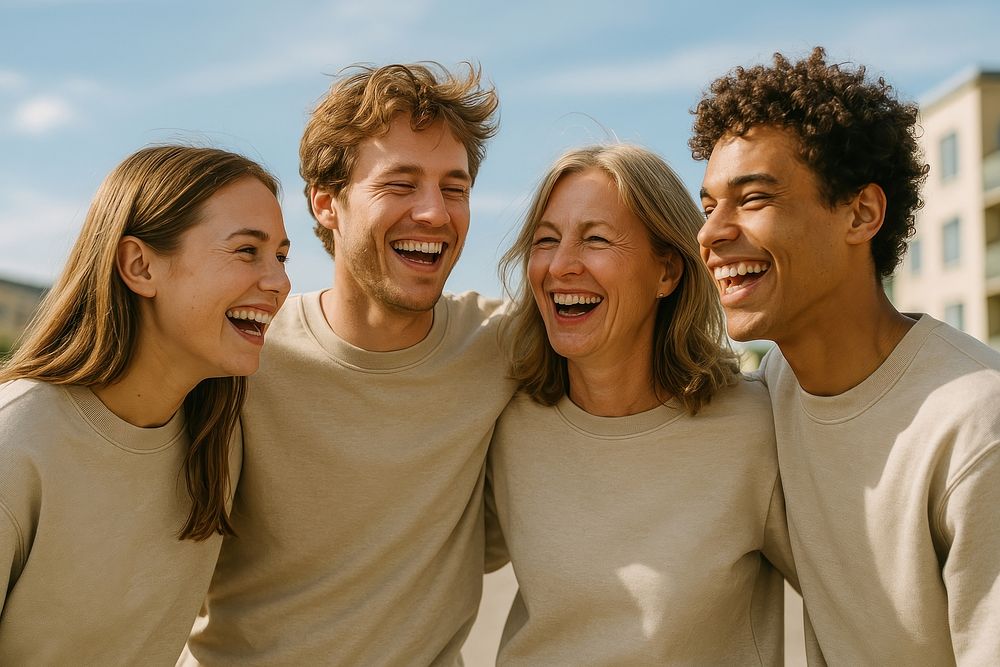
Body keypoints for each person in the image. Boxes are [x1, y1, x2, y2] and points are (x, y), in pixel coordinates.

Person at [183, 63, 517, 665]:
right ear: (327, 202)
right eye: (400, 183)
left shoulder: (502, 344)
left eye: (454, 187)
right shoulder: (239, 355)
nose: (434, 213)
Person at [694, 47, 1000, 665]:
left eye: (752, 199)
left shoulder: (975, 424)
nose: (710, 233)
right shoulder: (774, 388)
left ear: (861, 213)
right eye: (708, 206)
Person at [486, 144, 794, 665]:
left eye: (597, 240)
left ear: (667, 272)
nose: (561, 265)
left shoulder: (753, 428)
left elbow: (854, 602)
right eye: (545, 241)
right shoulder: (507, 423)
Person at [0, 145, 290, 663]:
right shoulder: (16, 441)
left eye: (281, 257)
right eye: (248, 251)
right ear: (139, 265)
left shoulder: (215, 437)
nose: (280, 281)